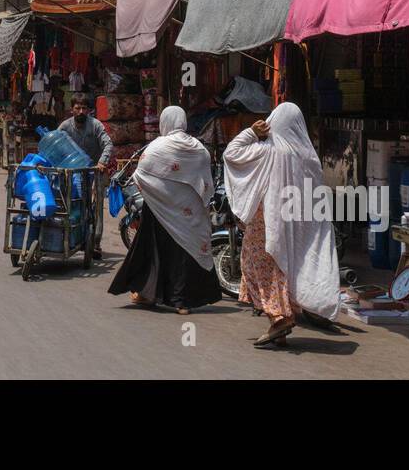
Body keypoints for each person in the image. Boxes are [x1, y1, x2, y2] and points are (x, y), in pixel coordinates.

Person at [223, 102, 340, 346]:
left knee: (259, 266)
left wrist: (251, 133)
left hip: (267, 222)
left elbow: (231, 154)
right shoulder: (308, 156)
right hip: (297, 228)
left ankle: (279, 318)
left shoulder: (267, 150)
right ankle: (280, 324)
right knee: (285, 268)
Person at [108, 106, 222, 314]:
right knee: (184, 253)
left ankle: (150, 293)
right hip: (190, 212)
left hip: (160, 210)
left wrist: (162, 194)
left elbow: (140, 175)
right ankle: (179, 301)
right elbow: (206, 182)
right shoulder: (198, 148)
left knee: (155, 250)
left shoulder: (157, 147)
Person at [59, 96, 115, 256]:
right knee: (73, 203)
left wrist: (102, 162)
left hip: (94, 171)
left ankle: (96, 243)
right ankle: (74, 237)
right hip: (73, 173)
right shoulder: (65, 126)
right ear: (72, 109)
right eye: (78, 108)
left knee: (96, 207)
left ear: (89, 110)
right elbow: (56, 144)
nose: (81, 111)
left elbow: (108, 144)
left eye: (84, 108)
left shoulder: (95, 125)